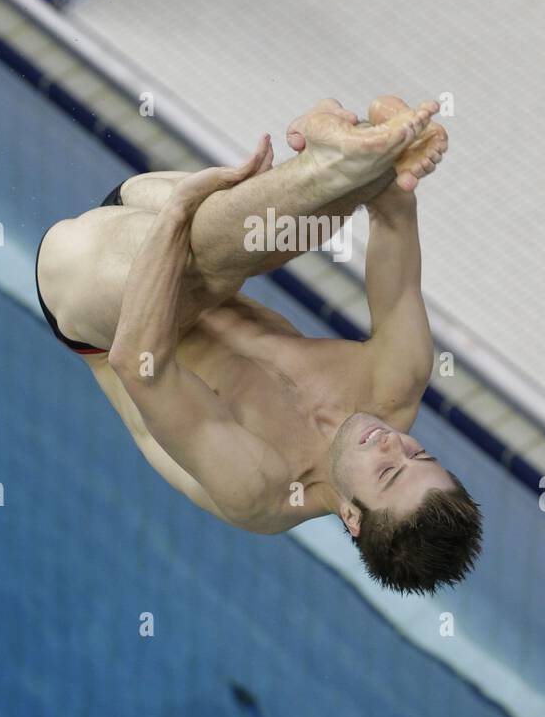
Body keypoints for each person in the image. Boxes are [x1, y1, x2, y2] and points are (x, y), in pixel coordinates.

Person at [35, 96, 482, 593]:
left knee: (209, 266)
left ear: (352, 518)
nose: (392, 445)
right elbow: (395, 224)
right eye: (418, 456)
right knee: (227, 255)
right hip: (173, 221)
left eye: (389, 474)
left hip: (99, 297)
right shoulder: (398, 382)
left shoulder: (262, 490)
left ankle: (327, 166)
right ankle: (347, 160)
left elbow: (141, 364)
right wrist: (399, 171)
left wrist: (180, 212)